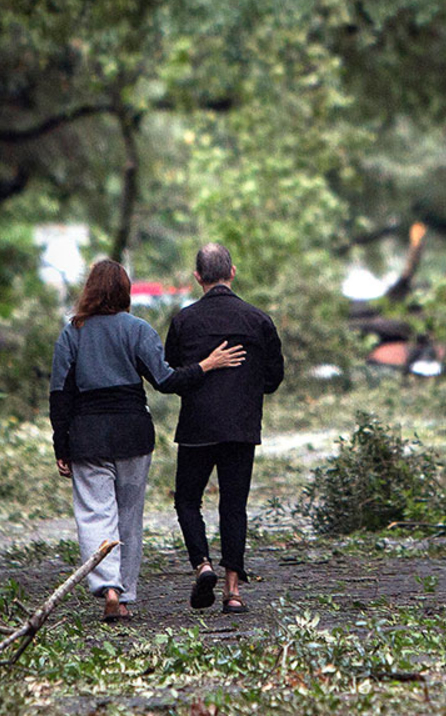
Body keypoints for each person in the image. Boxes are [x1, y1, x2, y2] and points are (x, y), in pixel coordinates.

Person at [50, 259, 245, 623]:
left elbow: (60, 395)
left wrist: (61, 445)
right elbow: (166, 380)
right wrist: (207, 365)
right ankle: (123, 596)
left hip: (87, 436)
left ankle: (107, 587)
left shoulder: (71, 333)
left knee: (95, 515)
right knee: (128, 516)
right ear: (124, 291)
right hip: (133, 434)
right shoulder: (137, 329)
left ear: (90, 290)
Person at [165, 243, 285, 614]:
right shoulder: (258, 320)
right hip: (241, 428)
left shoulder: (184, 321)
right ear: (232, 272)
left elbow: (173, 374)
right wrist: (247, 389)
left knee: (187, 500)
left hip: (197, 428)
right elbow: (274, 377)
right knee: (234, 506)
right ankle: (233, 592)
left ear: (197, 277)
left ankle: (202, 564)